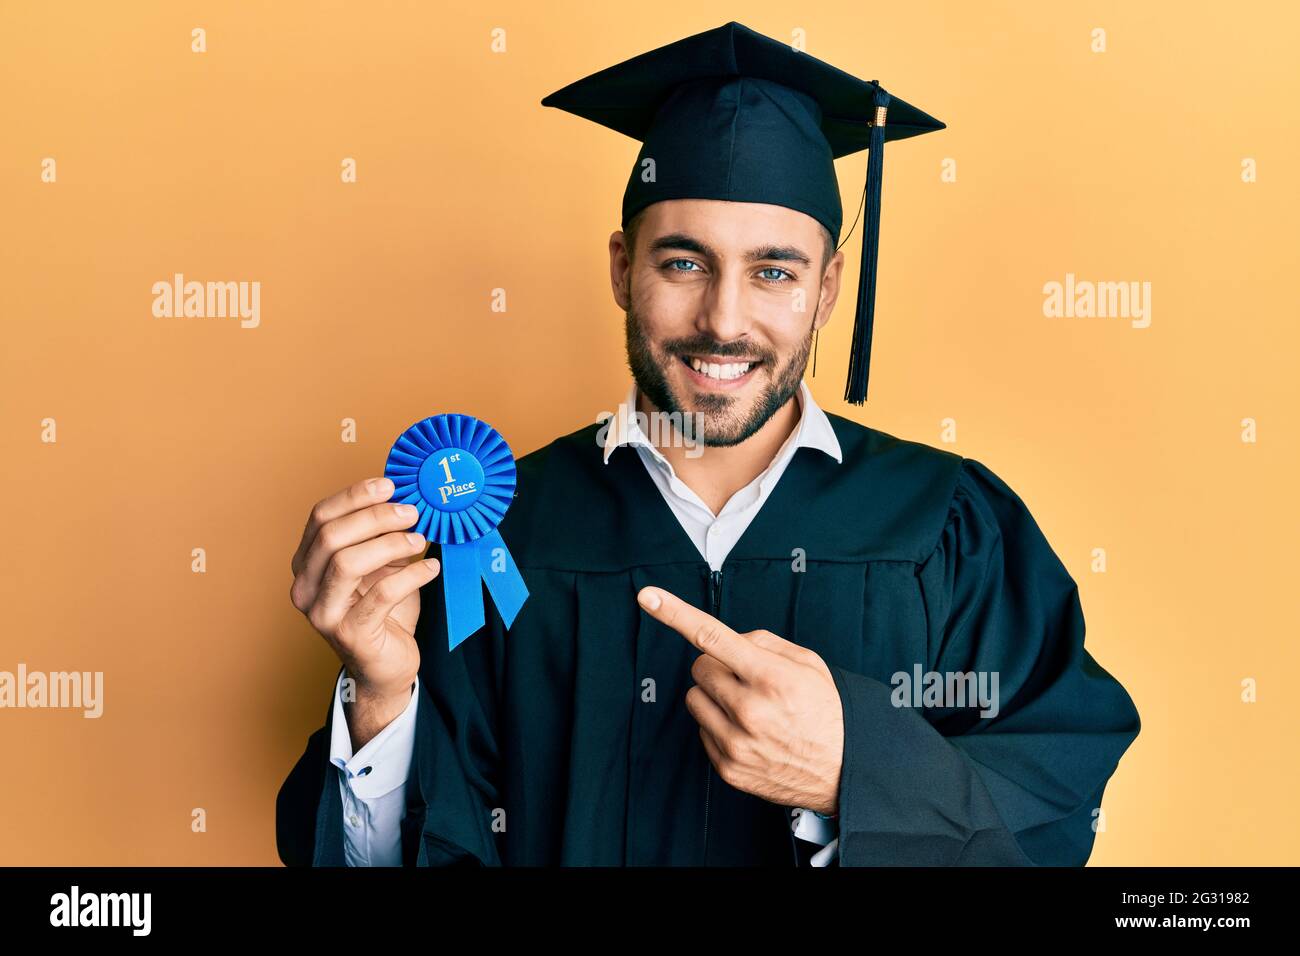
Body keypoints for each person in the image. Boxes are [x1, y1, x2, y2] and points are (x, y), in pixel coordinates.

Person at [277, 21, 1140, 867]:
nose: (724, 321)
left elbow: (1054, 811)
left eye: (774, 271)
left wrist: (857, 778)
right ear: (622, 268)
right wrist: (384, 696)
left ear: (829, 287)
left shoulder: (945, 524)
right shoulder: (498, 537)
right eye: (683, 263)